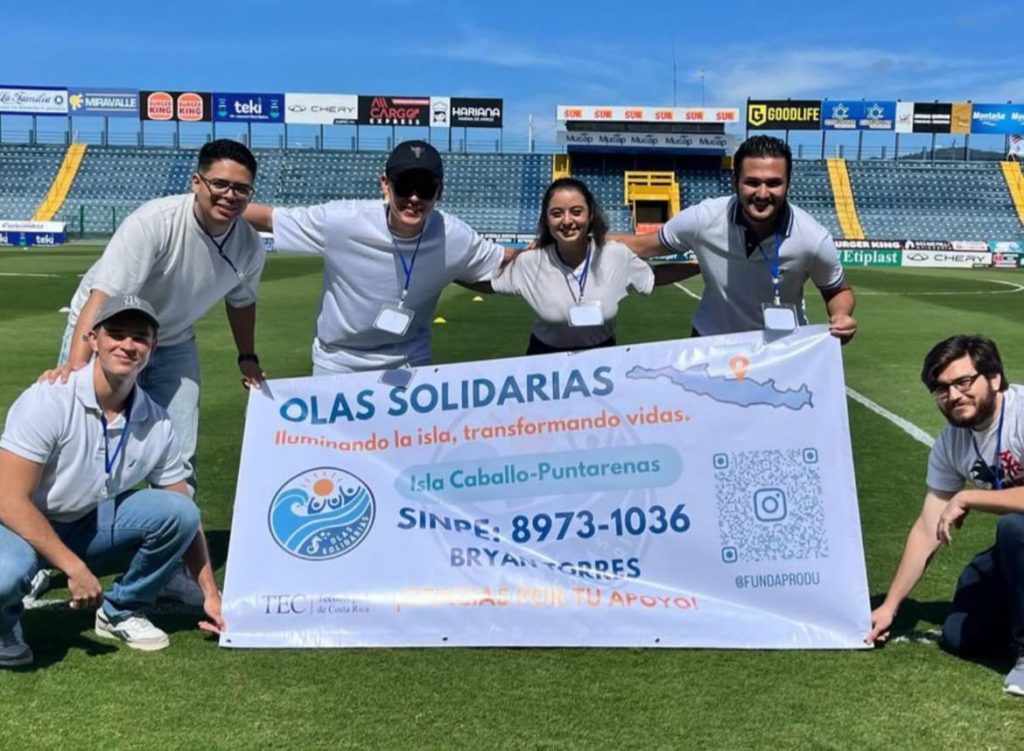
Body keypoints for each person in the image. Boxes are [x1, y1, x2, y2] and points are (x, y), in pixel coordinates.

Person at [33, 139, 268, 605]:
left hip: (174, 338)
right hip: (109, 330)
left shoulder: (248, 245)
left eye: (241, 189)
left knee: (181, 455)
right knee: (76, 445)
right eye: (219, 183)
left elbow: (241, 301)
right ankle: (42, 554)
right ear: (196, 182)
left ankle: (175, 567)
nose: (229, 195)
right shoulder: (155, 222)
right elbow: (103, 297)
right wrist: (78, 369)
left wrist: (248, 357)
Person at [0, 296, 224, 667]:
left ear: (153, 347)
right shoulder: (49, 399)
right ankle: (4, 626)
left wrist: (210, 594)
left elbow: (187, 514)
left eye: (139, 337)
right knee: (4, 576)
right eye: (115, 334)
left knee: (181, 512)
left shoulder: (157, 421)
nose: (126, 345)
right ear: (93, 339)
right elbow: (8, 500)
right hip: (15, 524)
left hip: (86, 522)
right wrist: (75, 569)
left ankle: (120, 610)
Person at [244, 139, 514, 375]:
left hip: (410, 358)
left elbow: (507, 262)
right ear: (385, 184)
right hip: (338, 361)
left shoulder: (455, 235)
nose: (414, 197)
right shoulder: (341, 221)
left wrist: (549, 246)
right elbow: (269, 218)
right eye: (405, 186)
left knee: (415, 436)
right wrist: (204, 203)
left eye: (426, 188)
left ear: (440, 191)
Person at [867, 335, 1024, 696]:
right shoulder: (950, 442)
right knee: (959, 633)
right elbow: (926, 528)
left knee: (1014, 528)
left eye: (963, 382)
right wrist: (890, 608)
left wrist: (970, 496)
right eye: (941, 389)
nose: (953, 396)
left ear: (995, 378)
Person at [617, 135, 857, 341]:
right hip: (711, 344)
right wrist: (586, 239)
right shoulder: (703, 219)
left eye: (773, 183)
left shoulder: (813, 238)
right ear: (735, 181)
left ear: (788, 184)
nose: (762, 193)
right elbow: (642, 246)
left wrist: (841, 315)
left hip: (781, 351)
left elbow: (837, 290)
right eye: (752, 182)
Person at [489, 177, 696, 354]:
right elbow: (488, 283)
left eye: (576, 211)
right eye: (557, 213)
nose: (567, 220)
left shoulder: (615, 254)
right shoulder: (531, 261)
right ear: (546, 219)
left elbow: (654, 277)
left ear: (590, 216)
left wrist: (701, 265)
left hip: (601, 361)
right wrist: (456, 271)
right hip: (545, 365)